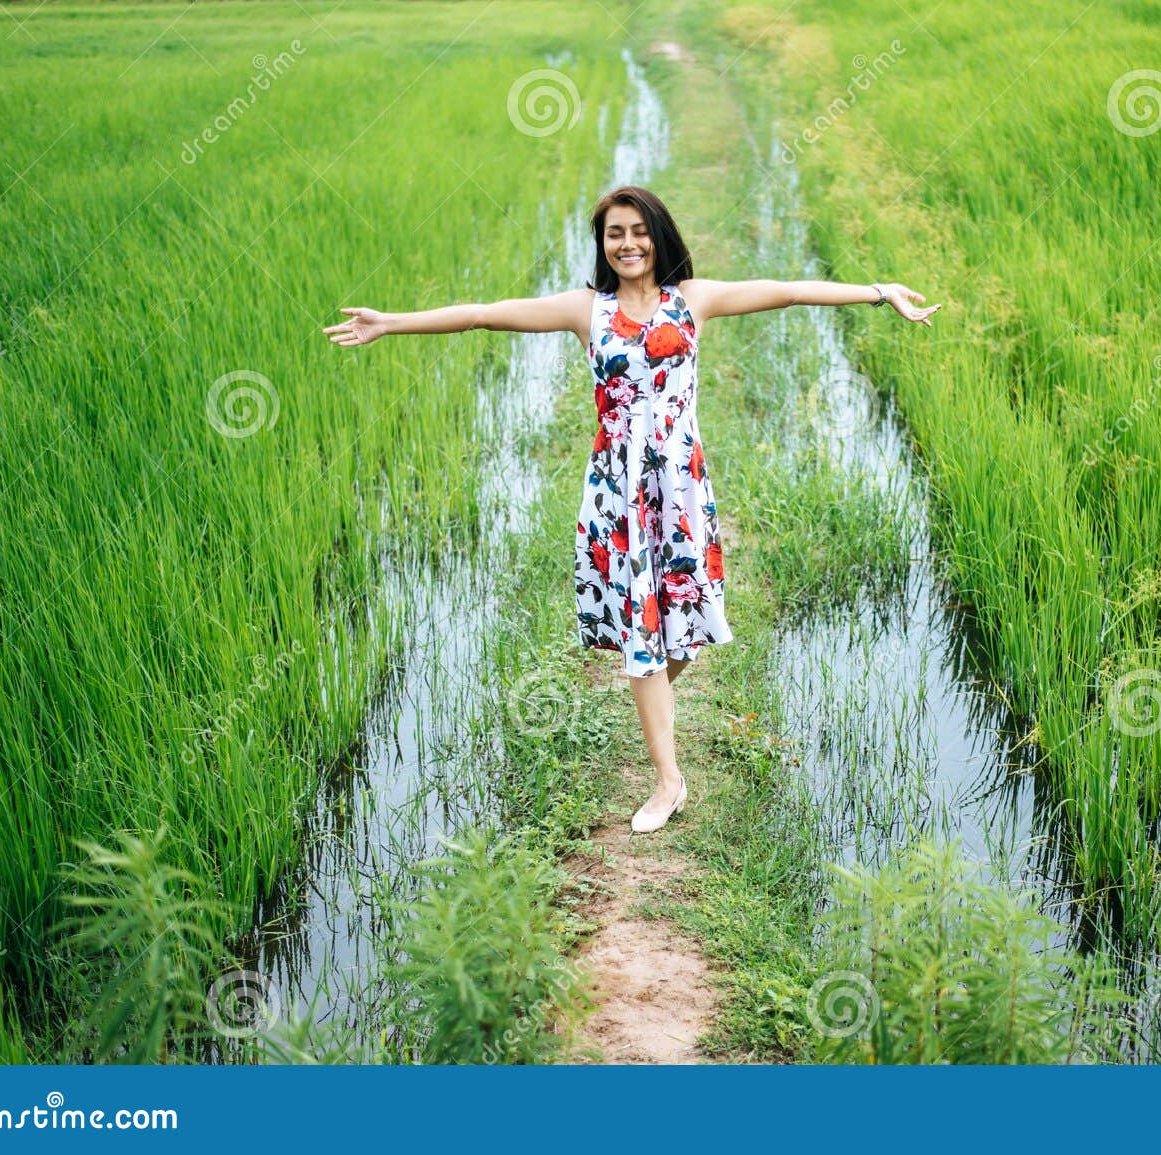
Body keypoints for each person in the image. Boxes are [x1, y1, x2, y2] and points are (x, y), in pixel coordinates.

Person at [323, 185, 940, 833]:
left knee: (686, 625)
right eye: (614, 234)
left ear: (658, 235)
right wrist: (391, 322)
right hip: (618, 491)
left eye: (638, 231)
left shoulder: (692, 300)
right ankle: (669, 780)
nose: (627, 244)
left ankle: (656, 700)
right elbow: (483, 313)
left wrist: (878, 292)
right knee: (643, 636)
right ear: (602, 244)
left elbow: (786, 287)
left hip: (681, 484)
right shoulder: (586, 309)